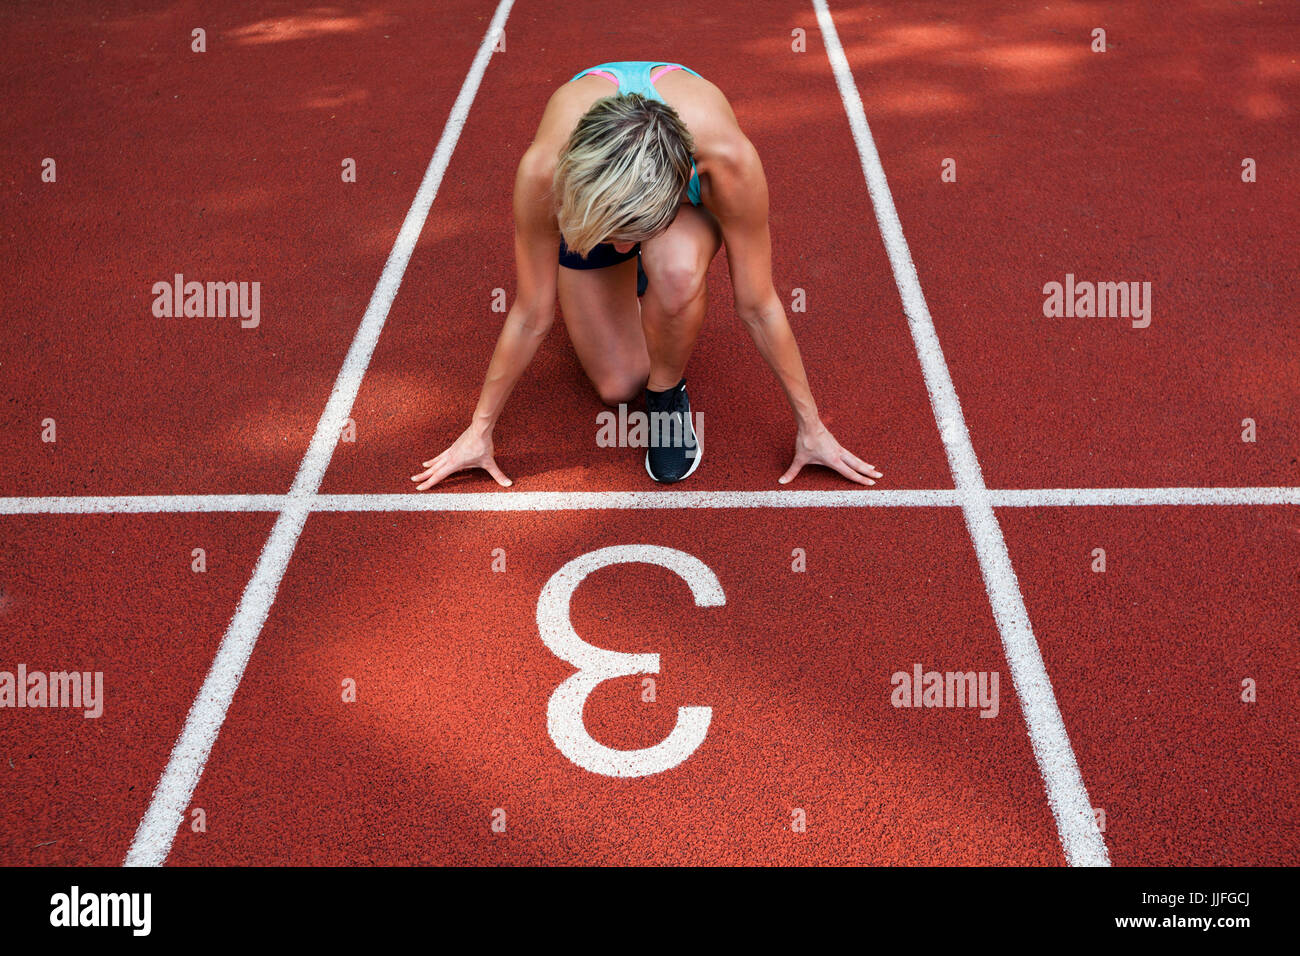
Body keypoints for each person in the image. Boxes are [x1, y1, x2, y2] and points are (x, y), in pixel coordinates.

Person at [412, 61, 882, 488]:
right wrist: (479, 430)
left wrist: (812, 427)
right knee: (617, 386)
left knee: (675, 274)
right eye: (615, 236)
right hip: (603, 185)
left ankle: (667, 394)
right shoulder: (544, 173)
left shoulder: (727, 161)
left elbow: (758, 305)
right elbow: (531, 313)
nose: (621, 247)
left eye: (633, 236)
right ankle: (629, 265)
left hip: (671, 187)